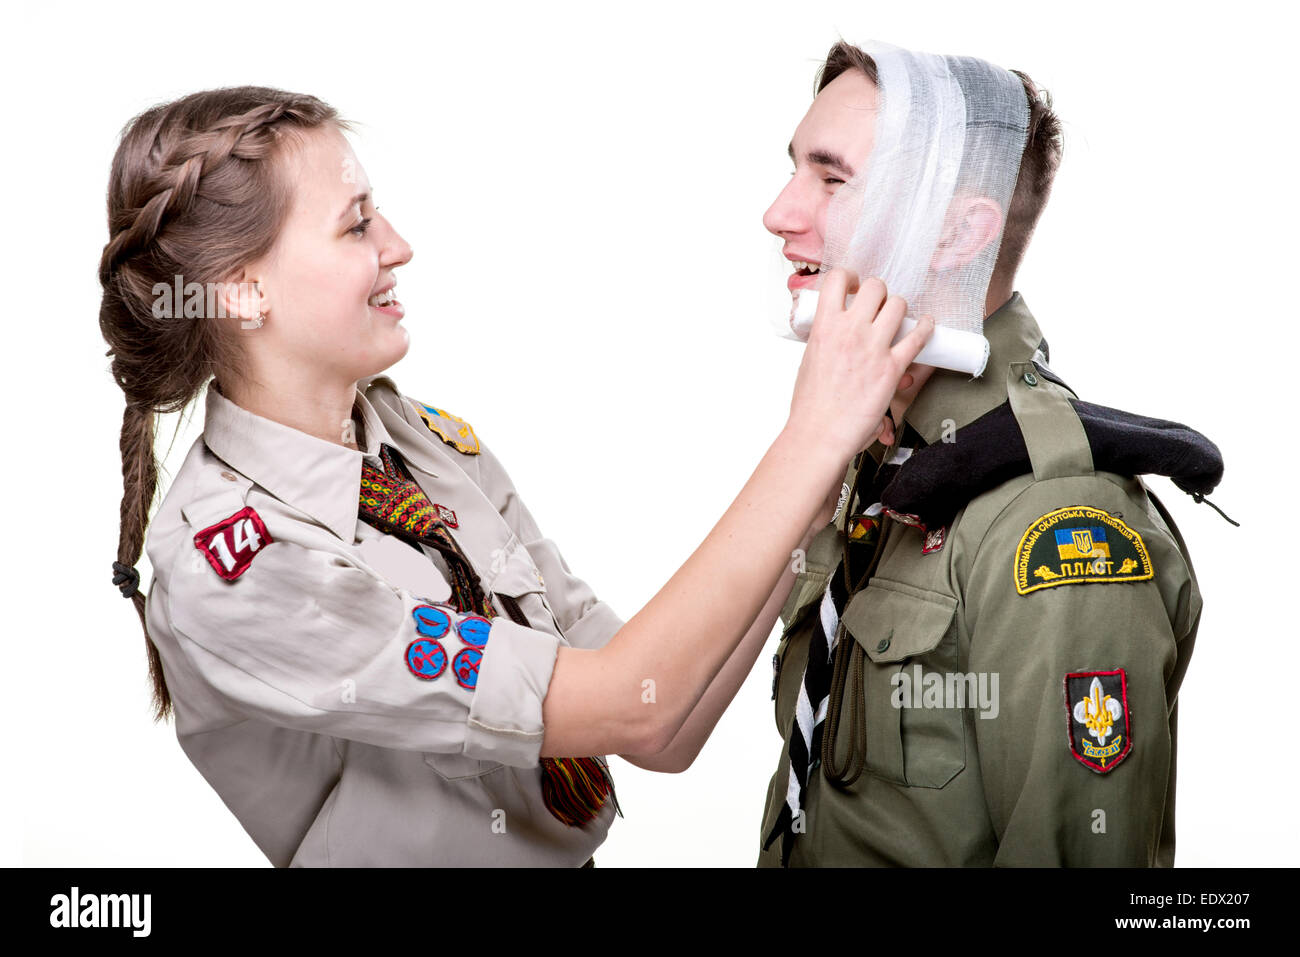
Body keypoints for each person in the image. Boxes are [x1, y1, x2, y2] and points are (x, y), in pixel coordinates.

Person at [98, 87, 932, 866]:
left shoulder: (421, 444)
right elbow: (634, 705)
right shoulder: (234, 568)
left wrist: (816, 499)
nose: (398, 245)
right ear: (243, 292)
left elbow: (661, 714)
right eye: (356, 227)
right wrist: (809, 437)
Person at [756, 40, 1227, 866]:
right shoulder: (869, 460)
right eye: (796, 168)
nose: (779, 213)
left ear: (957, 230)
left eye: (832, 179)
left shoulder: (1054, 522)